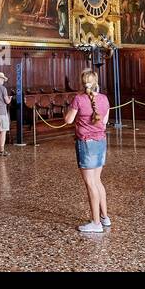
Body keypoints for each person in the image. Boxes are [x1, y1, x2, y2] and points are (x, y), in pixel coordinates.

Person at [64, 69, 111, 233]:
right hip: (101, 141)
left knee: (90, 184)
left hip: (86, 143)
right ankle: (105, 217)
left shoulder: (78, 99)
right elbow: (104, 122)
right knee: (98, 181)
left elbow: (68, 119)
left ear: (82, 82)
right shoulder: (104, 99)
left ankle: (96, 223)